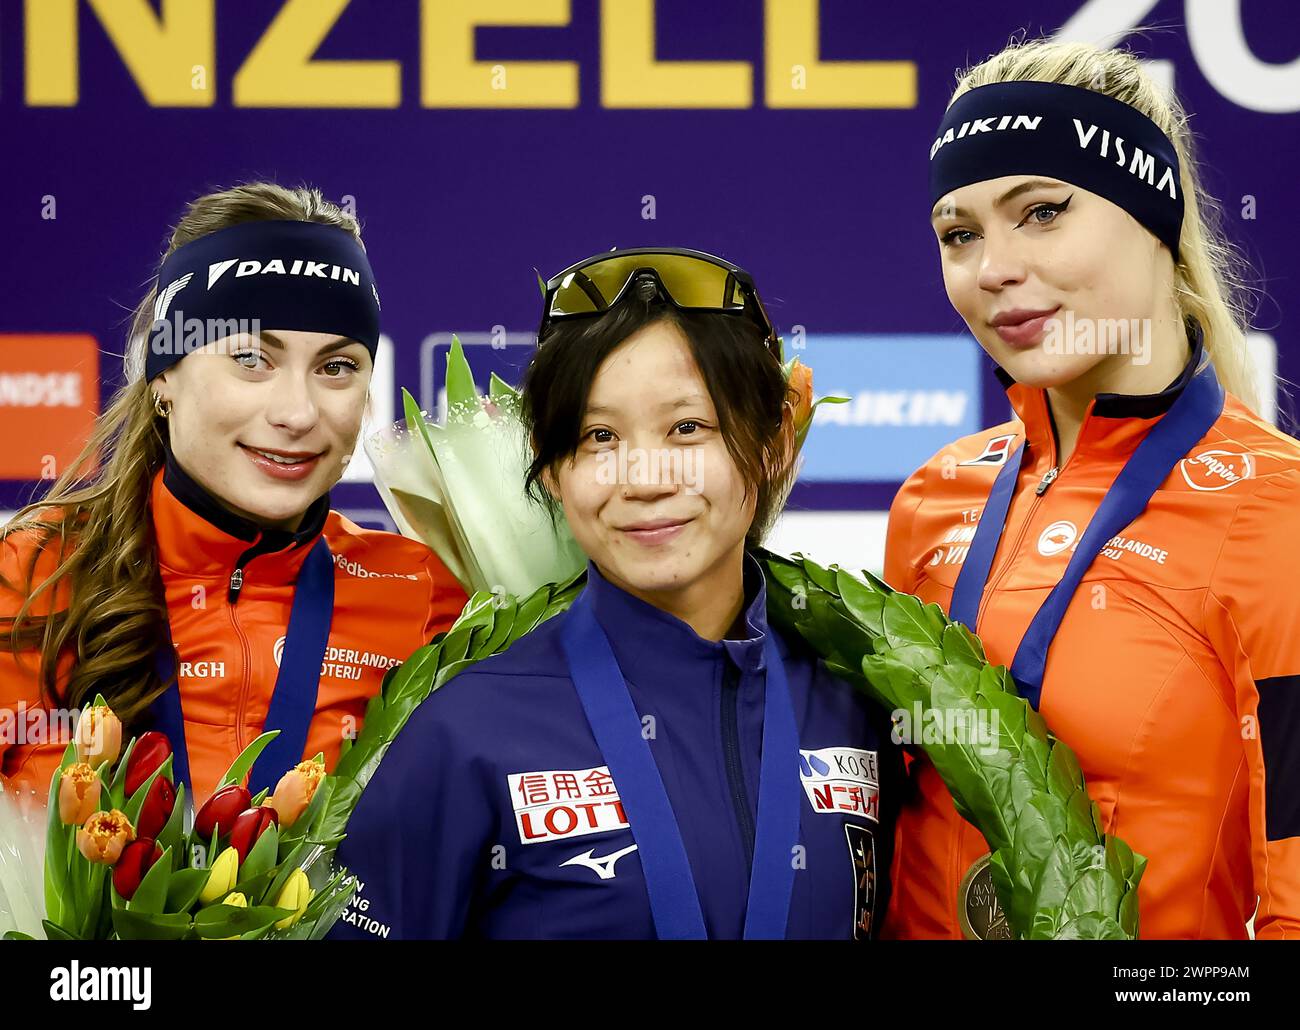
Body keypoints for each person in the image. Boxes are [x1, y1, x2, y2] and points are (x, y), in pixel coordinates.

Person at [330, 247, 902, 939]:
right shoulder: (464, 732)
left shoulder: (852, 708)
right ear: (550, 466)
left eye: (687, 428)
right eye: (599, 436)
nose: (645, 478)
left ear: (775, 439)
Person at [883, 39, 1300, 939]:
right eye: (960, 233)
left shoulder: (1280, 517)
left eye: (1040, 213)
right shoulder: (931, 502)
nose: (992, 268)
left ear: (1155, 216)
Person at [0, 183, 467, 809]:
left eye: (336, 367)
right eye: (251, 358)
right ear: (163, 374)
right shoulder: (33, 574)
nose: (298, 413)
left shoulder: (422, 594)